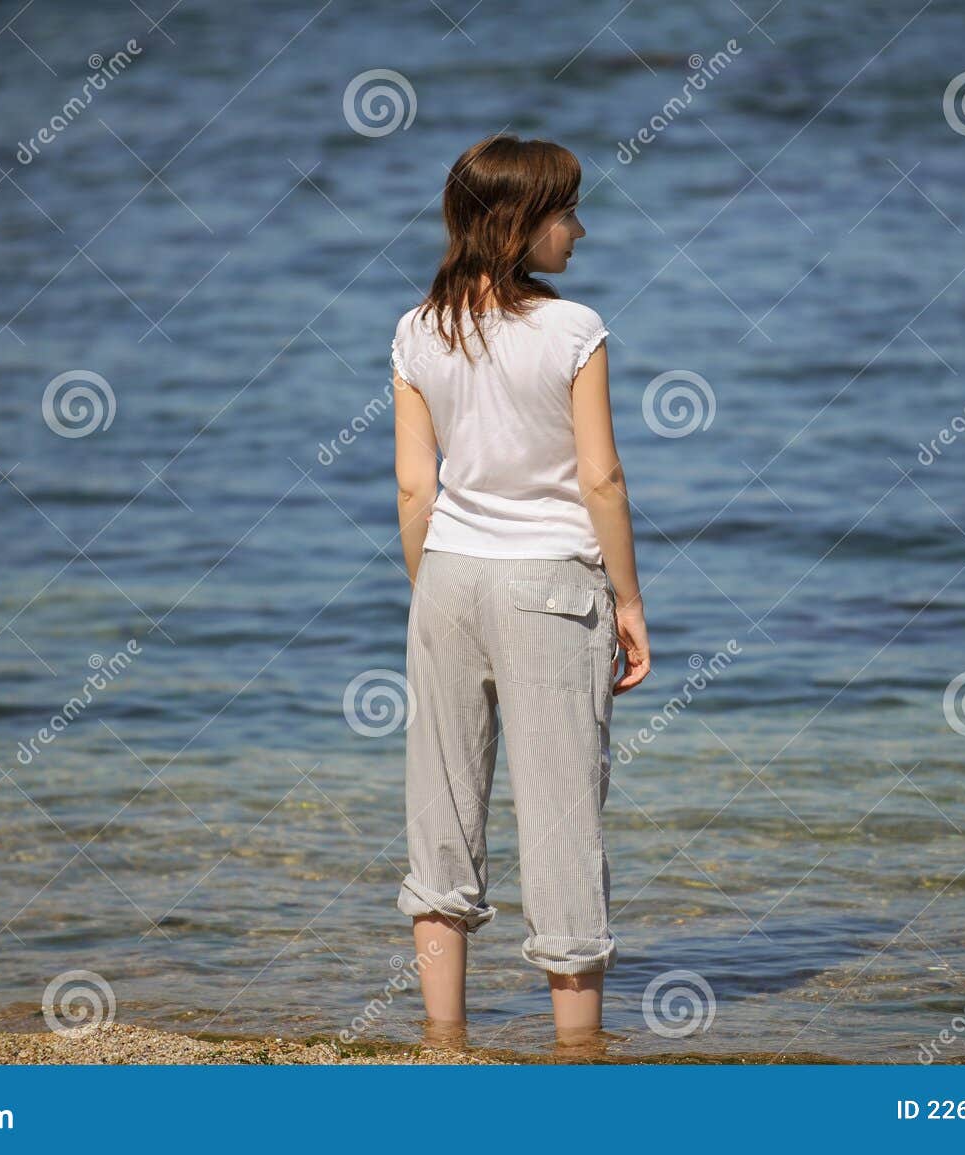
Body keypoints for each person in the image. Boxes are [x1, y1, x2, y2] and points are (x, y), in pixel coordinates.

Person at [390, 133, 651, 1042]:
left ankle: (443, 1042)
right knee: (561, 822)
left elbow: (415, 488)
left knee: (443, 820)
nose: (579, 230)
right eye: (566, 211)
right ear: (518, 224)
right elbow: (602, 479)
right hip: (552, 588)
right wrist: (628, 601)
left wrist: (438, 594)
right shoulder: (572, 328)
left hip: (448, 580)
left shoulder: (418, 329)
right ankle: (578, 1057)